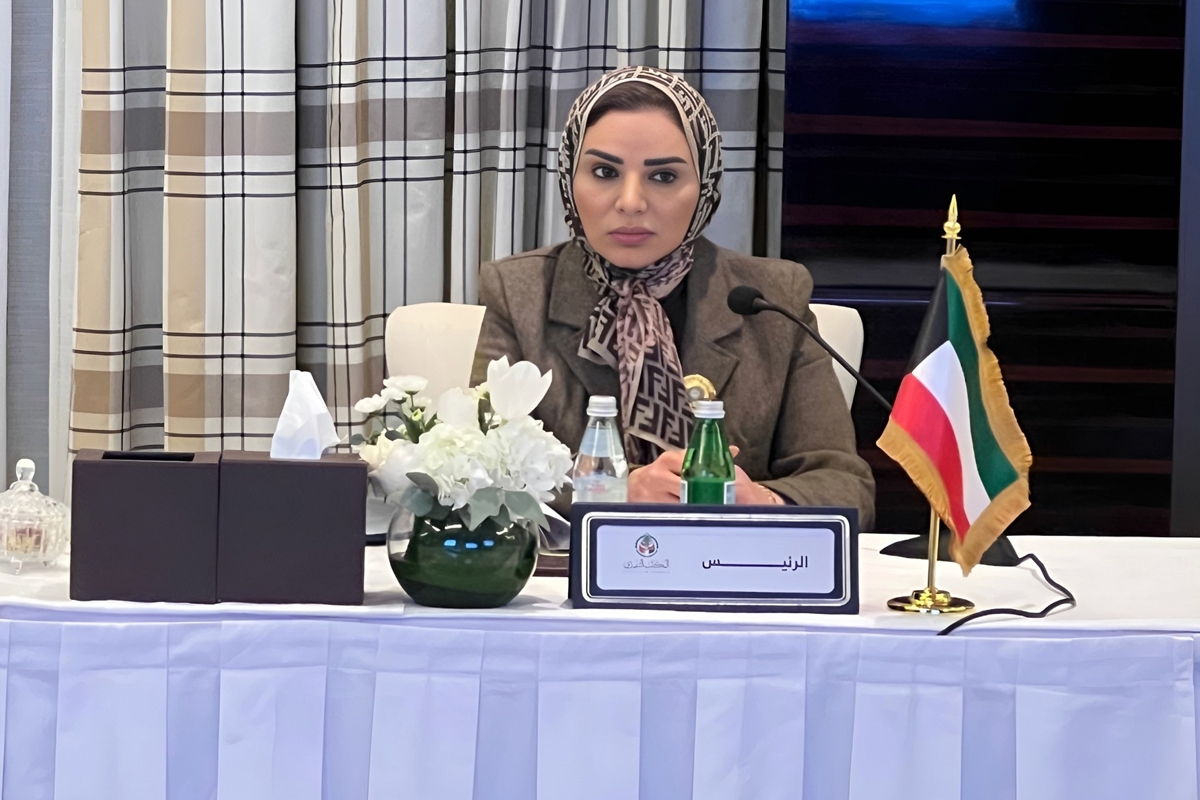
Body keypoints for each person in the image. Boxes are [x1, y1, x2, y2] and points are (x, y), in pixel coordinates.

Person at [471, 65, 875, 527]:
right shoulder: (518, 292)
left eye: (663, 177)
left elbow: (845, 485)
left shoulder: (771, 297)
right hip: (582, 568)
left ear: (704, 187)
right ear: (569, 178)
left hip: (729, 563)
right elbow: (480, 471)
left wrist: (763, 502)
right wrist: (615, 493)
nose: (630, 202)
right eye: (604, 172)